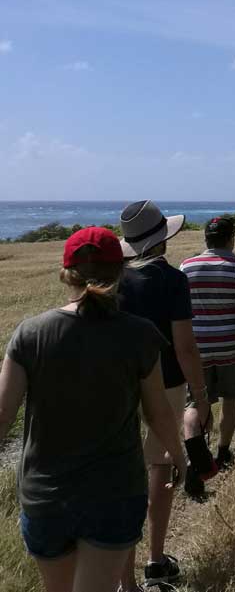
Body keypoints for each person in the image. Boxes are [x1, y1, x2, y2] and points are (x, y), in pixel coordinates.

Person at [0, 228, 186, 592]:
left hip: (46, 497)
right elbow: (157, 412)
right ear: (121, 272)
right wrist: (178, 454)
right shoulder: (140, 334)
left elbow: (3, 415)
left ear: (66, 274)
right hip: (114, 495)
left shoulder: (30, 333)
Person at [116, 200, 212, 590]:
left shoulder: (112, 280)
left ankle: (125, 580)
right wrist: (201, 396)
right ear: (163, 238)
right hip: (167, 385)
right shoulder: (172, 280)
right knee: (160, 469)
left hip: (120, 388)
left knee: (124, 479)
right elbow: (185, 346)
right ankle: (156, 560)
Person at [179, 217, 235, 473]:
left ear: (206, 239)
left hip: (196, 351)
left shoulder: (186, 267)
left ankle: (196, 460)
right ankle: (223, 453)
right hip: (233, 349)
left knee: (195, 403)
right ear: (231, 238)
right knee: (231, 399)